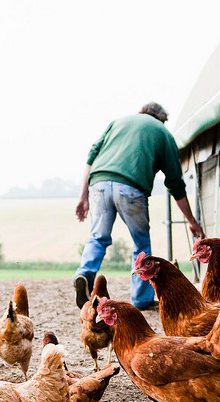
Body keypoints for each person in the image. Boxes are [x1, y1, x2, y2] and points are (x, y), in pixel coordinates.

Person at [74, 101, 205, 310]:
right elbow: (175, 183)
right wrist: (191, 220)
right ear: (161, 119)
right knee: (141, 243)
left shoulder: (118, 123)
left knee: (98, 236)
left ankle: (85, 273)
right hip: (131, 188)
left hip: (98, 183)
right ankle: (141, 299)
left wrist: (83, 196)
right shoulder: (162, 133)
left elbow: (92, 155)